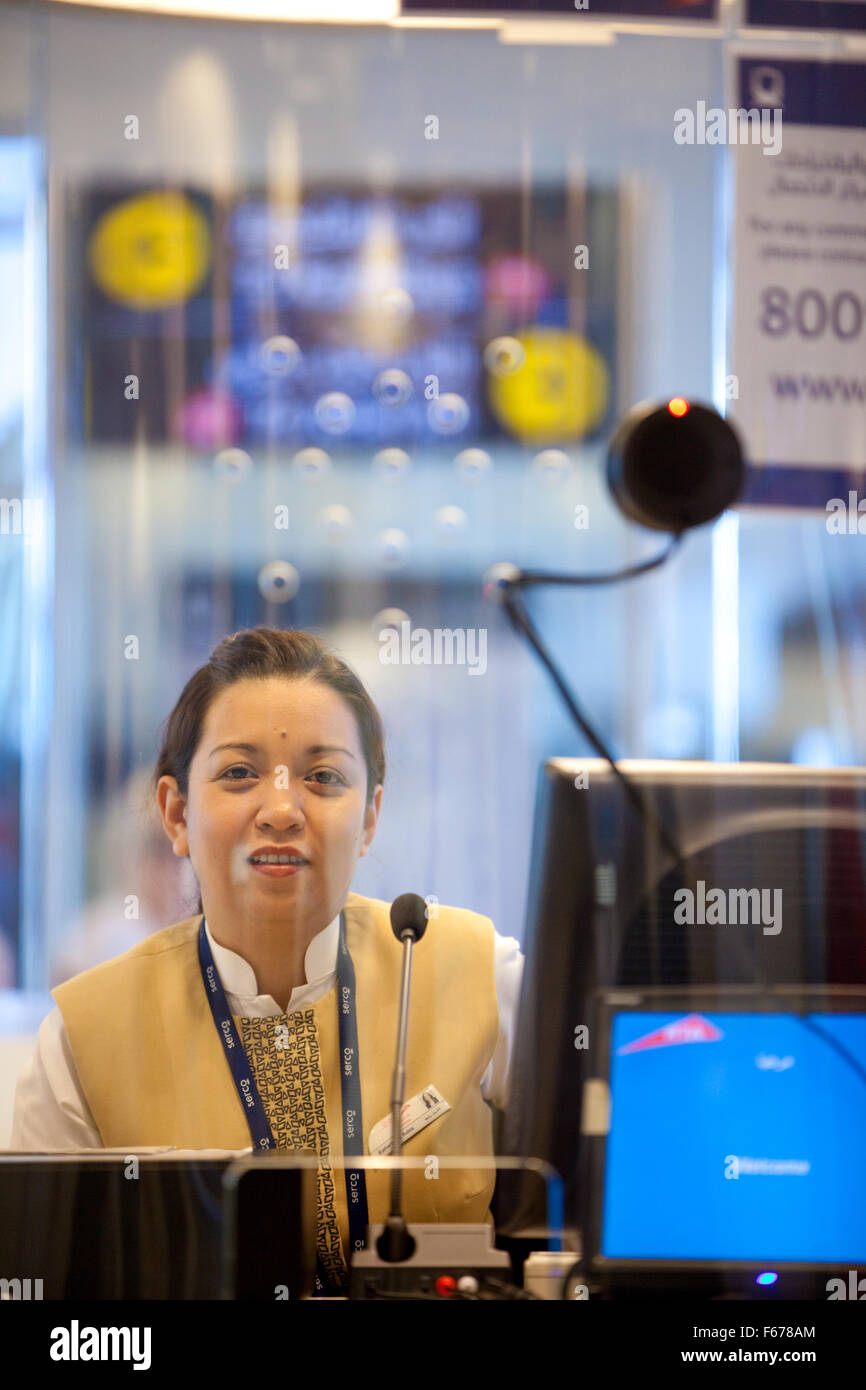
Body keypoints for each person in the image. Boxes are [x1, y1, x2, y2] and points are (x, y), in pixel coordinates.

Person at [11, 626, 524, 1293]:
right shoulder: (85, 1034)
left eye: (323, 777)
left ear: (369, 816)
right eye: (238, 773)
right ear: (175, 813)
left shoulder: (477, 972)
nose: (281, 810)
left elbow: (586, 1220)